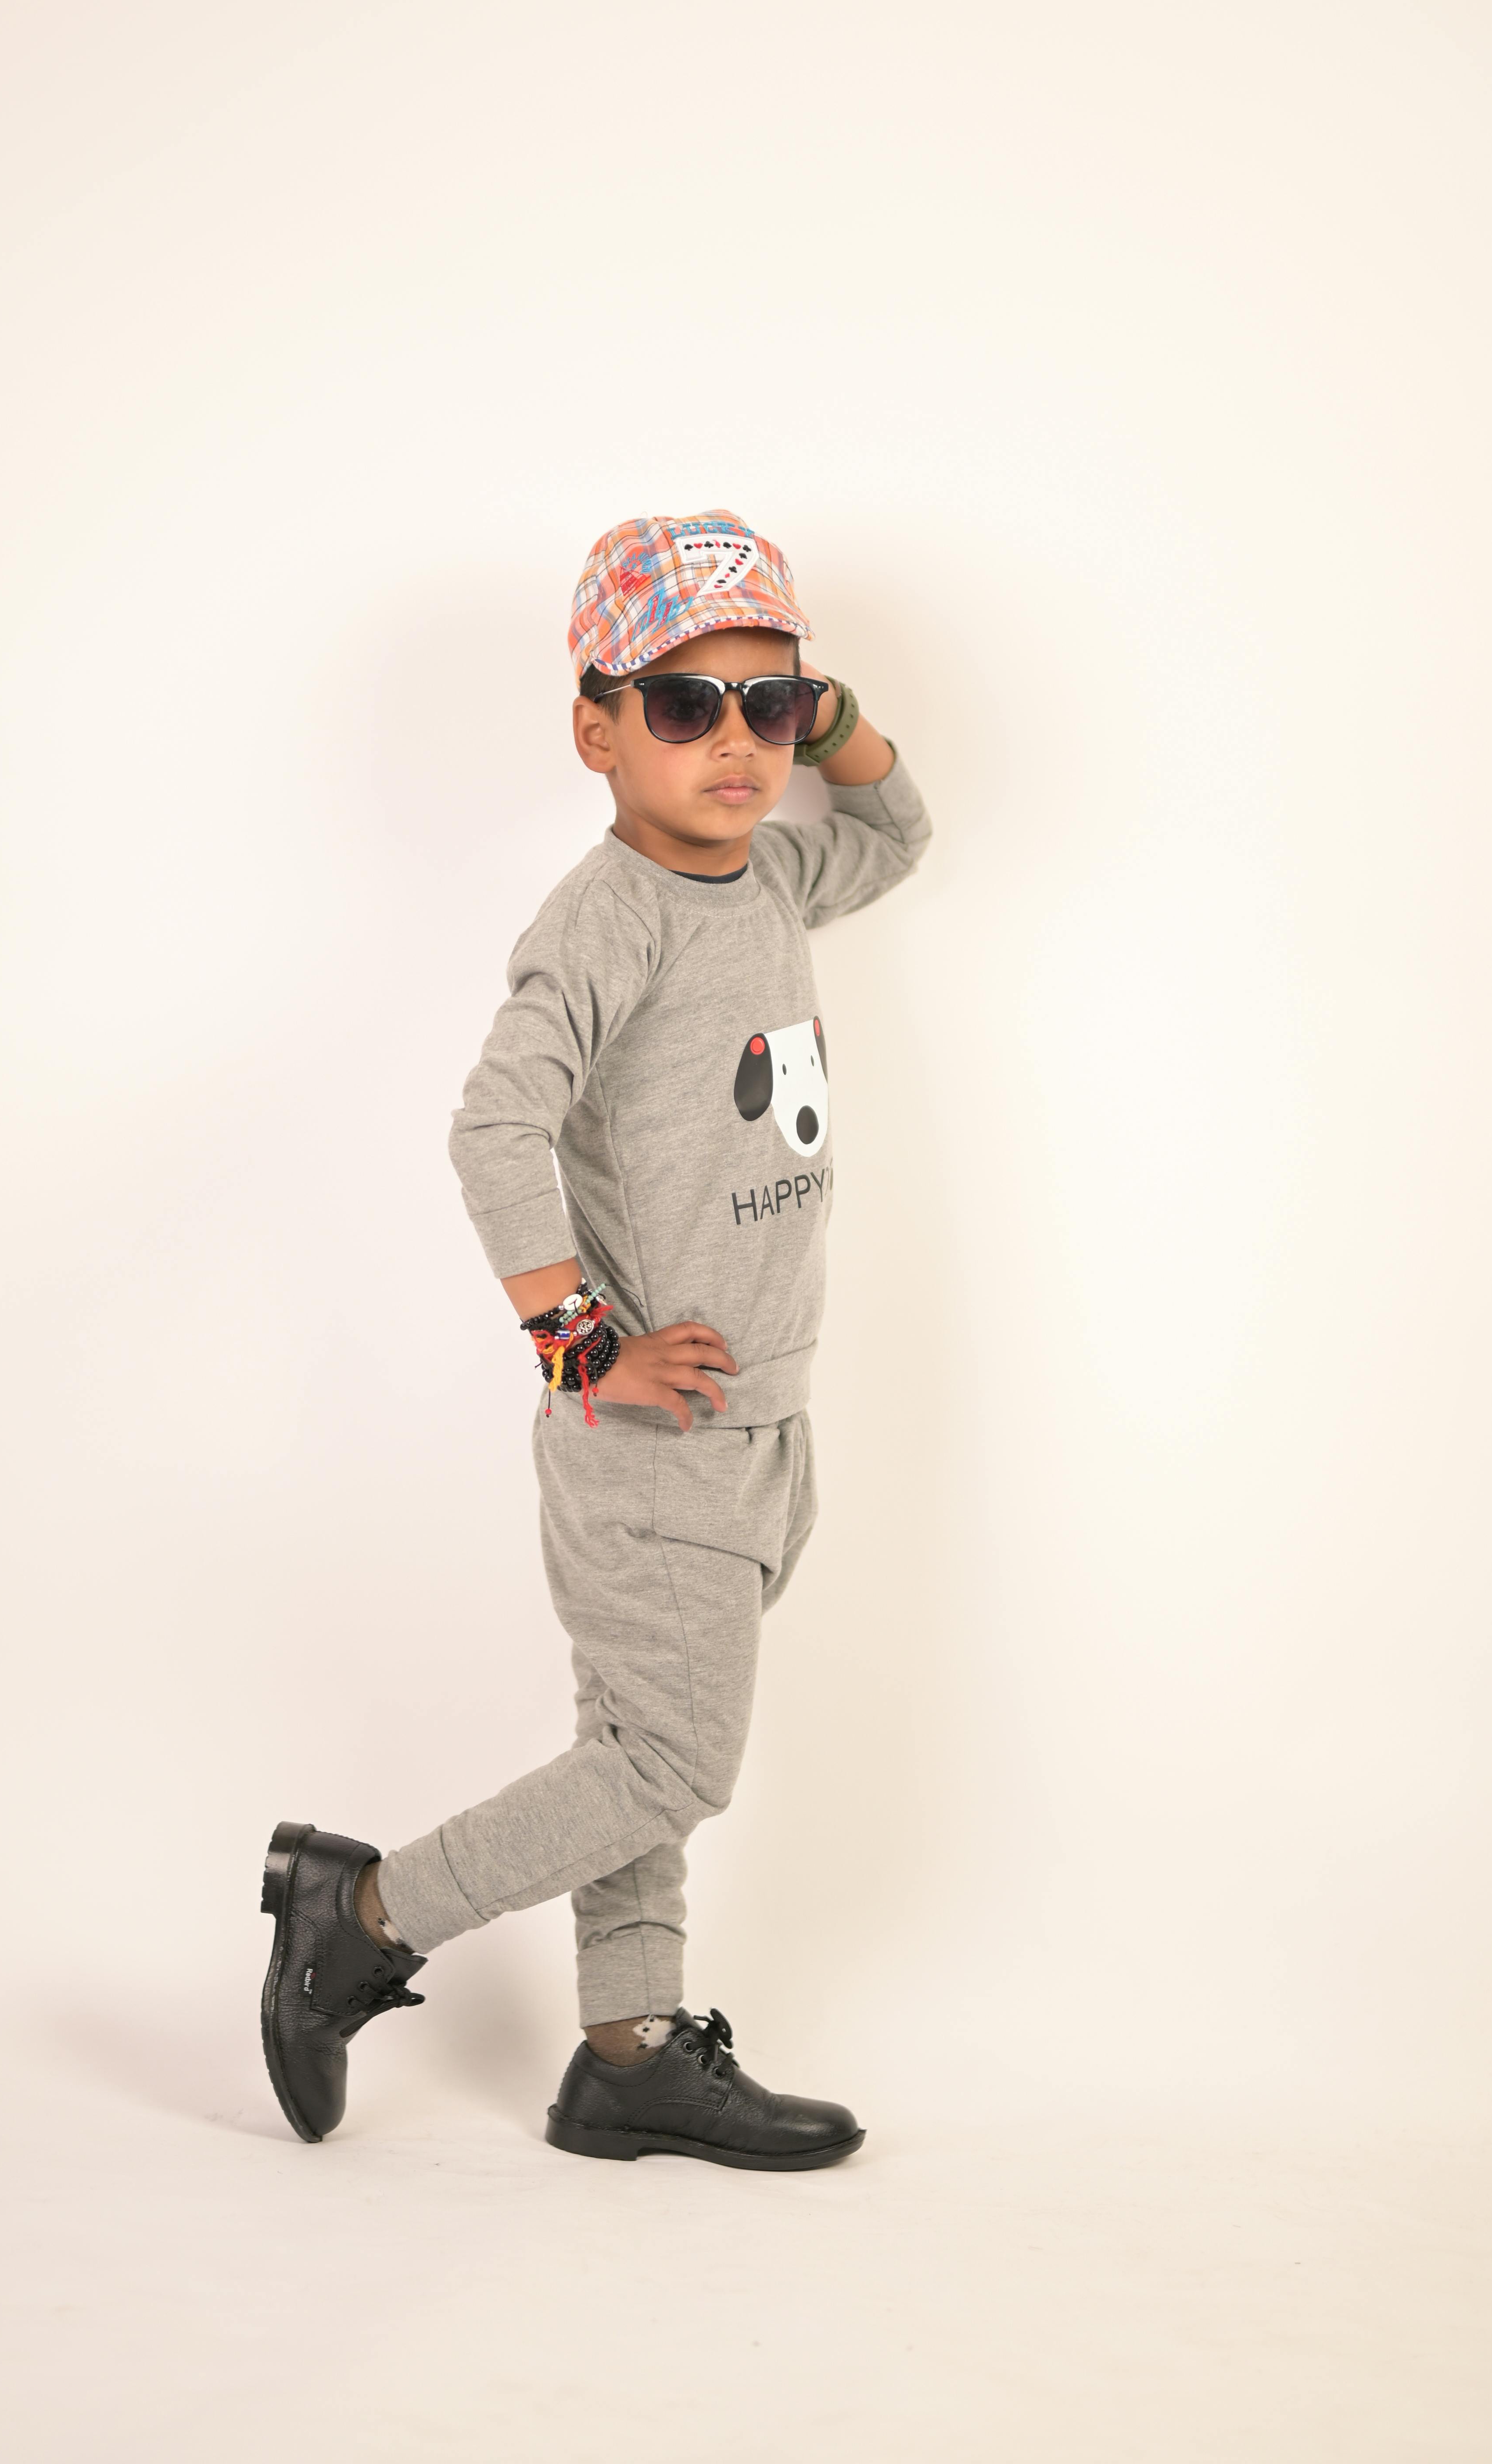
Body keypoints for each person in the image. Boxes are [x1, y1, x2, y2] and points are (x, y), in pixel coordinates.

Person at [260, 510, 930, 2169]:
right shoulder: (607, 920)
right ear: (598, 730)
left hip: (763, 1422)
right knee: (670, 1759)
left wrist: (839, 721)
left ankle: (630, 2055)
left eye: (771, 707)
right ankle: (364, 1914)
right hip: (649, 1440)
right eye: (686, 706)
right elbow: (493, 1128)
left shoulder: (773, 873)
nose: (738, 745)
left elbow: (898, 829)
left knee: (641, 1747)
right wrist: (579, 1347)